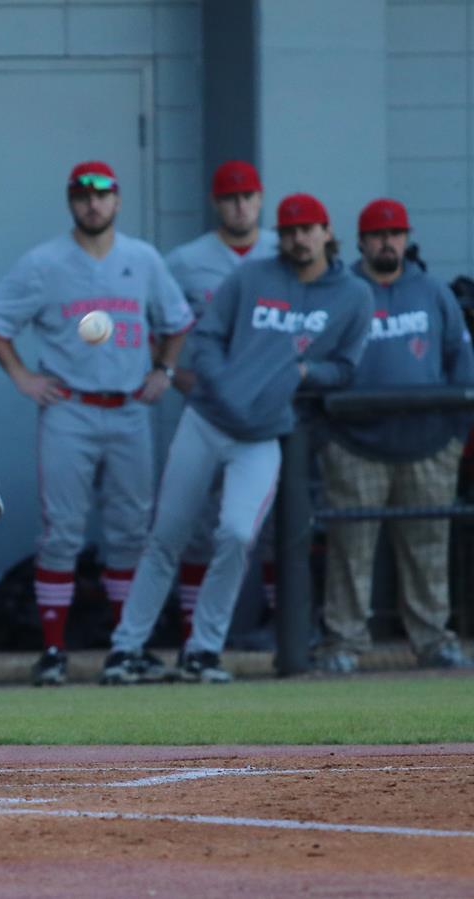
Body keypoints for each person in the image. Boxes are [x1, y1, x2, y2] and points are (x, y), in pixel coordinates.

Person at [104, 193, 372, 684]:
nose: (298, 238)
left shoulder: (352, 295)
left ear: (327, 232)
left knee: (237, 535)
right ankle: (126, 649)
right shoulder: (253, 276)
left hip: (263, 434)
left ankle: (203, 651)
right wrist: (224, 386)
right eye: (289, 230)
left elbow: (347, 369)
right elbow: (205, 339)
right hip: (206, 420)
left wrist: (306, 370)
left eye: (308, 229)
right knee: (167, 535)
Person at [0, 161, 195, 686]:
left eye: (102, 194)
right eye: (82, 194)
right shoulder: (44, 263)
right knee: (62, 532)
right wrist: (24, 376)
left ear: (117, 200)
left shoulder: (142, 259)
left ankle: (127, 649)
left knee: (130, 532)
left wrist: (163, 369)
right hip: (69, 409)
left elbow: (177, 321)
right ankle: (53, 651)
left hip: (130, 409)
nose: (93, 203)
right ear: (71, 201)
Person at [316, 198, 474, 672]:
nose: (389, 242)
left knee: (427, 548)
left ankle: (434, 642)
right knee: (350, 550)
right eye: (379, 234)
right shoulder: (343, 292)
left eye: (396, 233)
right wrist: (329, 437)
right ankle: (343, 645)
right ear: (361, 240)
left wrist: (453, 435)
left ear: (406, 238)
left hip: (426, 445)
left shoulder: (432, 292)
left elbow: (460, 360)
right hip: (356, 444)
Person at [163, 161, 281, 644]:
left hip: (269, 413)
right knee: (196, 527)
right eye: (230, 197)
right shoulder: (186, 260)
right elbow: (162, 324)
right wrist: (173, 374)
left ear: (259, 199)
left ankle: (281, 626)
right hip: (207, 412)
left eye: (247, 196)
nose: (239, 205)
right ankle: (196, 634)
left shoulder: (282, 250)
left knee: (272, 527)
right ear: (217, 203)